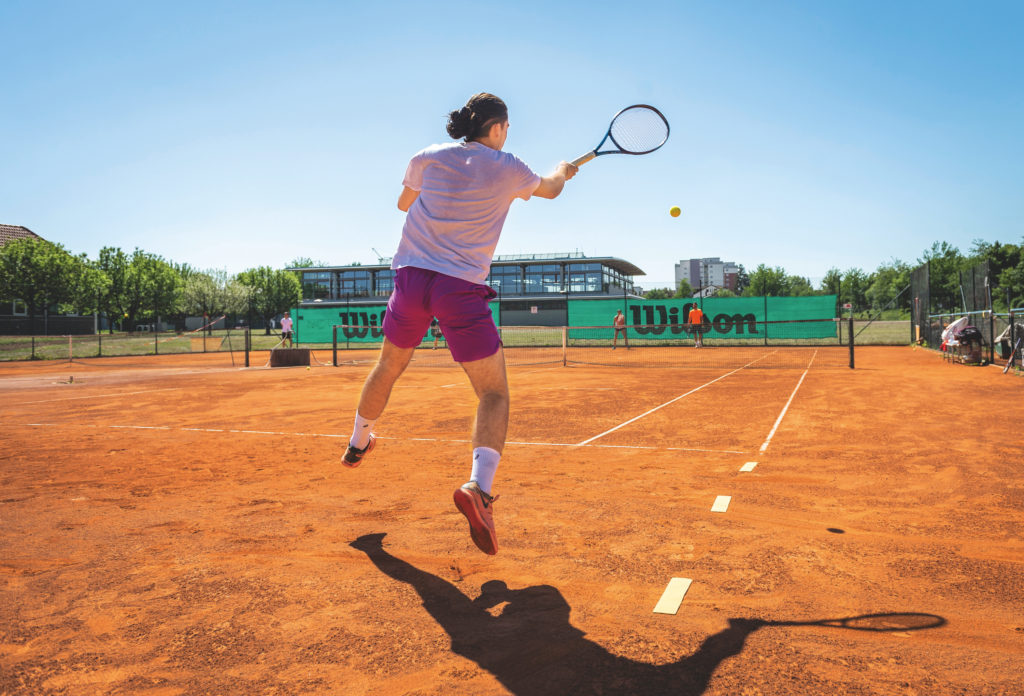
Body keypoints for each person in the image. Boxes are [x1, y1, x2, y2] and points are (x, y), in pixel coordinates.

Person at [341, 93, 577, 555]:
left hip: (409, 280)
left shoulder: (427, 156)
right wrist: (563, 170)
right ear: (497, 128)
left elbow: (403, 203)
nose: (507, 135)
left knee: (388, 365)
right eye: (507, 128)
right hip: (459, 288)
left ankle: (357, 441)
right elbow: (549, 188)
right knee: (493, 393)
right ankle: (479, 489)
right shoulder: (508, 165)